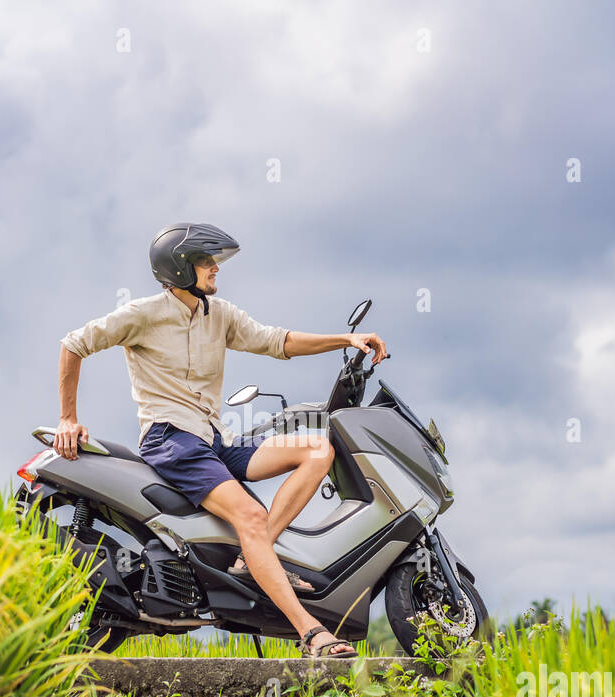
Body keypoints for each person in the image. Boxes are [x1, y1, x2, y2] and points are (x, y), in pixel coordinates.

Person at [55, 222, 387, 658]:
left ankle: (254, 556)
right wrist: (67, 417)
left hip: (214, 438)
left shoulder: (221, 315)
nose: (215, 269)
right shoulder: (141, 314)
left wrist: (345, 339)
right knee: (249, 516)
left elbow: (278, 341)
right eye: (205, 262)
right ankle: (312, 634)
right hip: (171, 439)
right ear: (179, 269)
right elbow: (74, 344)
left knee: (317, 449)